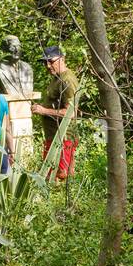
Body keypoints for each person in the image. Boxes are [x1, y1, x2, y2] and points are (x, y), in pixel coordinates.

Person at [34, 46, 79, 180]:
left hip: (62, 137)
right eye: (45, 62)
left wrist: (44, 111)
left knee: (60, 176)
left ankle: (61, 201)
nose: (47, 66)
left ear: (62, 59)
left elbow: (71, 113)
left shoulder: (67, 81)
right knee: (51, 175)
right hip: (54, 136)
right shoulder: (57, 77)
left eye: (51, 61)